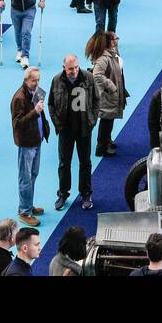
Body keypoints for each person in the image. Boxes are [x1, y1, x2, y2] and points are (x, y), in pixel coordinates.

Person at [49, 53, 97, 212]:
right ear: (64, 68)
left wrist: (92, 121)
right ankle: (63, 193)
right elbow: (51, 104)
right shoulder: (56, 80)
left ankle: (86, 194)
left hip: (84, 129)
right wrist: (58, 124)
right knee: (64, 164)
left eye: (76, 67)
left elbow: (97, 100)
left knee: (85, 163)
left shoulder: (88, 77)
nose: (74, 71)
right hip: (65, 131)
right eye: (71, 69)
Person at [10, 66, 49, 226]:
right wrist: (35, 112)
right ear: (26, 80)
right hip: (26, 143)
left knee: (33, 175)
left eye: (38, 79)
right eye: (34, 80)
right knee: (25, 178)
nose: (37, 83)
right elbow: (17, 124)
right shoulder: (19, 98)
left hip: (36, 140)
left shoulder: (37, 91)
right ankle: (24, 212)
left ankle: (28, 205)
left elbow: (41, 114)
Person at [88, 30, 127, 158]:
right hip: (107, 94)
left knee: (110, 120)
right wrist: (112, 87)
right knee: (106, 120)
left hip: (113, 93)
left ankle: (107, 141)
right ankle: (101, 148)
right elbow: (97, 75)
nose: (117, 40)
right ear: (109, 42)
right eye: (115, 38)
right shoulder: (103, 58)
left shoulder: (113, 53)